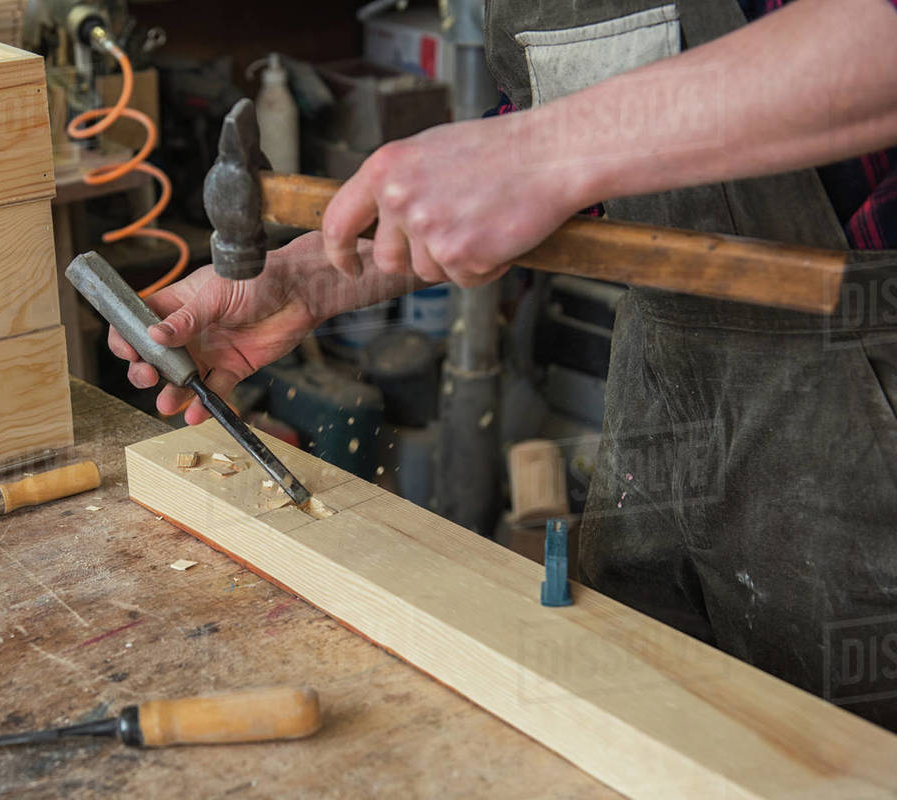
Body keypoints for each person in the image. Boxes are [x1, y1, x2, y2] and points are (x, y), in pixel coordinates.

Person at [110, 0, 897, 729]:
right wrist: (305, 277)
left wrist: (548, 149)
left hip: (865, 381)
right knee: (643, 713)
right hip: (675, 363)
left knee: (833, 747)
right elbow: (575, 148)